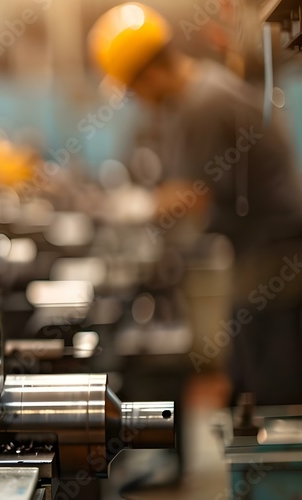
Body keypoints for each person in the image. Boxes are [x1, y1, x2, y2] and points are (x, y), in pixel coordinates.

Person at [89, 2, 302, 404]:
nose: (138, 99)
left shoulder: (201, 103)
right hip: (261, 248)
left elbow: (187, 195)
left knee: (270, 381)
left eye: (134, 89)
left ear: (151, 73)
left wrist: (127, 207)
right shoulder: (200, 92)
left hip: (275, 251)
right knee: (248, 372)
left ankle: (275, 462)